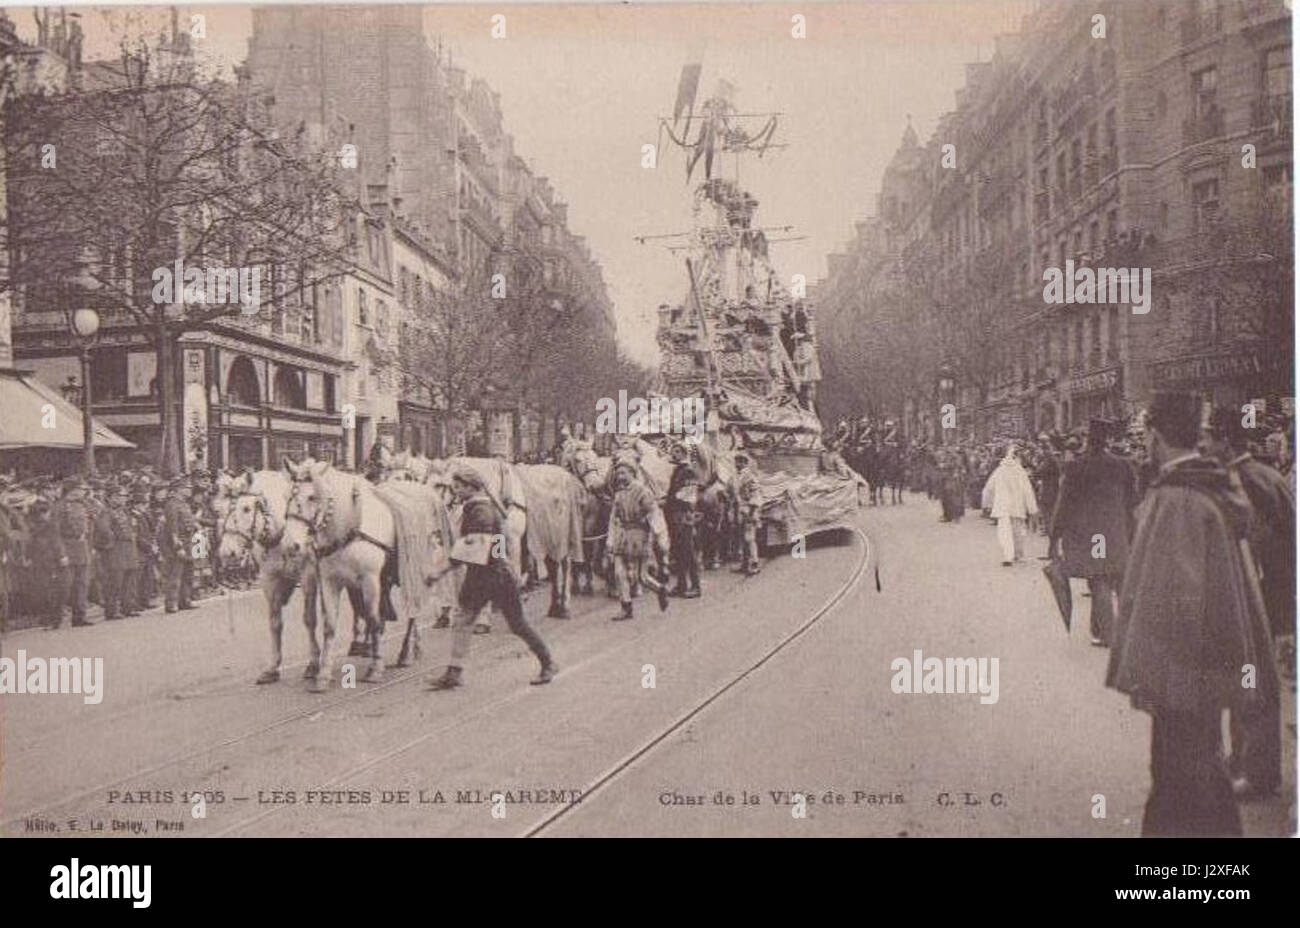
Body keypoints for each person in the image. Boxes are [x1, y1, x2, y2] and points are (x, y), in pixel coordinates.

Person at [1107, 392, 1278, 837]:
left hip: (1183, 679)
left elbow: (1179, 602)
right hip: (1205, 675)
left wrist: (1162, 682)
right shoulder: (1209, 489)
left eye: (1146, 435)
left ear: (1157, 435)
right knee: (1202, 775)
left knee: (1181, 782)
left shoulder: (1179, 498)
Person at [1207, 406, 1292, 800]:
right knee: (1248, 676)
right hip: (1275, 589)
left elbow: (1258, 545)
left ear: (1225, 440)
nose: (1204, 443)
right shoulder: (1268, 474)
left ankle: (1257, 771)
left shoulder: (1241, 480)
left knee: (1251, 678)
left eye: (1210, 436)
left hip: (1259, 591)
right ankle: (1244, 760)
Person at [429, 466, 557, 690]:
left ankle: (548, 662)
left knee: (516, 624)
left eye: (458, 487)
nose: (455, 492)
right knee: (464, 620)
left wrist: (440, 570)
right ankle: (454, 672)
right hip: (491, 573)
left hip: (491, 576)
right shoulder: (483, 507)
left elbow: (474, 548)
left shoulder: (481, 511)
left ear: (470, 487)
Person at [1049, 418, 1138, 646]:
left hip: (1093, 535)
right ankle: (1104, 629)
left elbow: (1064, 504)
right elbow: (1133, 501)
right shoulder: (1123, 465)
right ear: (1107, 440)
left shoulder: (1077, 466)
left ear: (1088, 440)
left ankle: (1108, 633)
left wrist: (1054, 535)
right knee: (1118, 577)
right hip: (1117, 530)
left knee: (1100, 578)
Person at [608, 460, 658, 621]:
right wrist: (610, 538)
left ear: (632, 473)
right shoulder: (618, 494)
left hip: (638, 535)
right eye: (618, 473)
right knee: (619, 573)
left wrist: (647, 533)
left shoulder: (642, 491)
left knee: (641, 578)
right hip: (622, 535)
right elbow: (613, 517)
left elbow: (652, 512)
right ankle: (626, 607)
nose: (620, 476)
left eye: (624, 473)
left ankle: (660, 589)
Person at [982, 445, 1038, 565]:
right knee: (1018, 531)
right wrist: (1032, 509)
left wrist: (987, 504)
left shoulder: (999, 470)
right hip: (1017, 506)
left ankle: (1007, 555)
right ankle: (1018, 554)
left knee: (1004, 531)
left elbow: (989, 488)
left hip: (1002, 506)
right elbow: (1028, 491)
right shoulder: (1020, 471)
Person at [94, 484, 139, 620]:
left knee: (129, 580)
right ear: (112, 497)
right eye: (121, 496)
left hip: (127, 548)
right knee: (115, 581)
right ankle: (112, 610)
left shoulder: (124, 511)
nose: (124, 499)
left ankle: (128, 607)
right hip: (116, 549)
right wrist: (113, 538)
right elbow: (103, 529)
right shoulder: (106, 512)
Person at [665, 442, 702, 598]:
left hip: (685, 515)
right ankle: (681, 585)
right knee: (679, 551)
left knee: (688, 551)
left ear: (684, 453)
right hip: (675, 514)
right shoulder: (678, 470)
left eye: (677, 452)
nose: (673, 454)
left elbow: (688, 495)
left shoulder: (688, 471)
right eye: (672, 452)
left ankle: (696, 586)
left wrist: (667, 500)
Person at [55, 477, 93, 626]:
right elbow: (55, 532)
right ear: (72, 490)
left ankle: (79, 616)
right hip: (67, 547)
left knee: (82, 584)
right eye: (80, 489)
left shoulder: (83, 505)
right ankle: (55, 616)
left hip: (81, 548)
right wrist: (61, 553)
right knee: (65, 585)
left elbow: (89, 526)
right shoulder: (59, 507)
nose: (83, 492)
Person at [160, 477, 198, 612]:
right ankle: (171, 603)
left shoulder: (185, 504)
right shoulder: (171, 505)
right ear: (178, 490)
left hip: (189, 541)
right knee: (175, 574)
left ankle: (185, 600)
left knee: (188, 573)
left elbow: (190, 522)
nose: (189, 490)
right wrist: (178, 546)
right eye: (186, 488)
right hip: (178, 542)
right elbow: (172, 528)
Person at [733, 452, 762, 575]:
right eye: (736, 461)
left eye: (740, 461)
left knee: (749, 538)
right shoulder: (736, 476)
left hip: (749, 511)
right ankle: (745, 564)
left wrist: (751, 512)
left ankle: (754, 564)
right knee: (743, 539)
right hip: (741, 510)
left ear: (745, 463)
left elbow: (755, 495)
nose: (737, 464)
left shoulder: (750, 477)